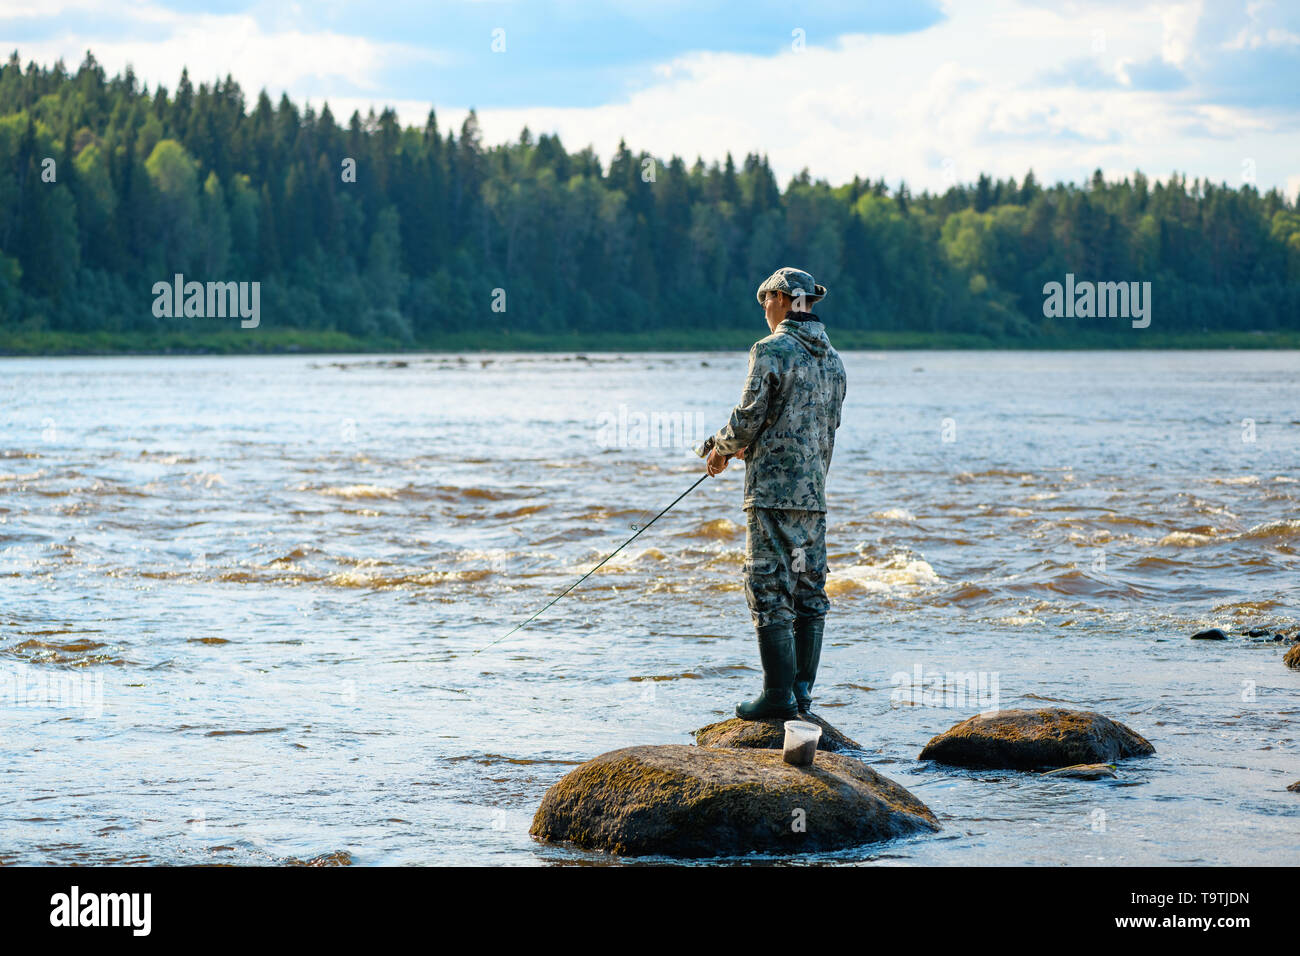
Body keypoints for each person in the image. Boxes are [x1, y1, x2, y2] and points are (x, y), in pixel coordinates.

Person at [704, 267, 846, 720]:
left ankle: (778, 697)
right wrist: (754, 446)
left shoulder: (770, 350)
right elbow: (813, 427)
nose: (763, 309)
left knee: (767, 589)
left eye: (765, 300)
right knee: (809, 592)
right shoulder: (834, 361)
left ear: (784, 299)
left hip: (769, 497)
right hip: (814, 500)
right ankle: (802, 696)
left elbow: (748, 418)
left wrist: (720, 449)